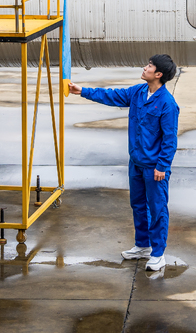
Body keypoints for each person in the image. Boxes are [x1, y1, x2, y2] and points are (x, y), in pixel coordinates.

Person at [70, 54, 179, 272]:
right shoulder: (138, 93)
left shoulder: (167, 104)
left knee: (157, 209)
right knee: (138, 205)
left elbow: (170, 139)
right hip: (136, 161)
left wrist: (162, 166)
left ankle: (158, 254)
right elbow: (112, 95)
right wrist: (82, 91)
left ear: (158, 74)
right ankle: (143, 245)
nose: (145, 67)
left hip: (154, 167)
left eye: (149, 66)